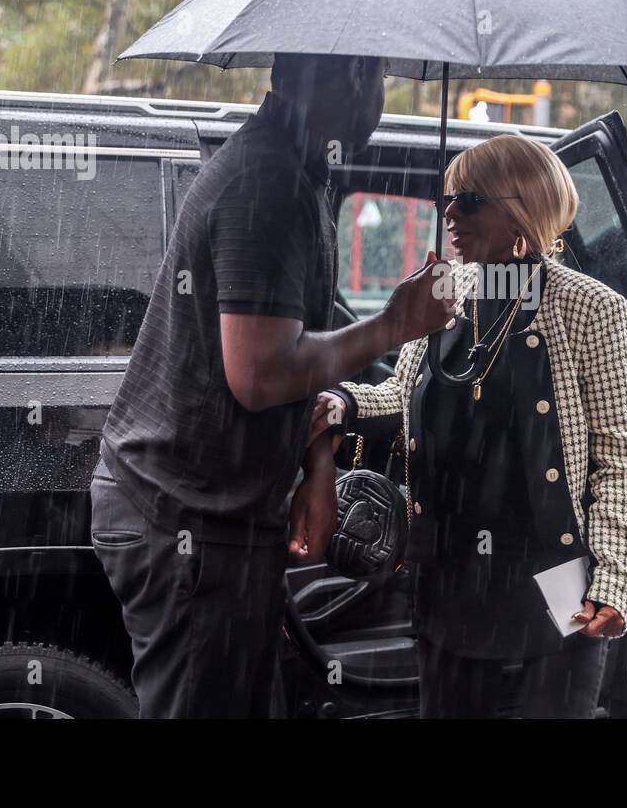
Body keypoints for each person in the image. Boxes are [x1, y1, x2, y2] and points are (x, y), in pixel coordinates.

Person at [89, 53, 454, 718]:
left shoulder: (298, 175)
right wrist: (395, 324)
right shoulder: (268, 184)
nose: (379, 97)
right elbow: (259, 374)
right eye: (380, 80)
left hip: (215, 514)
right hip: (185, 518)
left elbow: (297, 351)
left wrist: (316, 463)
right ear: (354, 81)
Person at [309, 135, 627, 718]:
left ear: (521, 208)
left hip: (555, 583)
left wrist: (615, 579)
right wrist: (344, 403)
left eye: (467, 200)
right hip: (451, 579)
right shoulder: (445, 293)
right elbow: (402, 393)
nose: (448, 214)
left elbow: (621, 456)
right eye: (446, 200)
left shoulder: (591, 308)